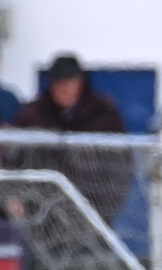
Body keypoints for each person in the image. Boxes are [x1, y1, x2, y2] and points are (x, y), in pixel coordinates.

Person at [9, 53, 131, 224]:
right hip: (40, 217)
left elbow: (122, 166)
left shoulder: (104, 115)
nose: (65, 88)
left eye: (71, 81)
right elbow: (10, 160)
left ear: (81, 82)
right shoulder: (31, 115)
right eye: (59, 82)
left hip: (92, 215)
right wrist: (13, 197)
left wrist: (106, 208)